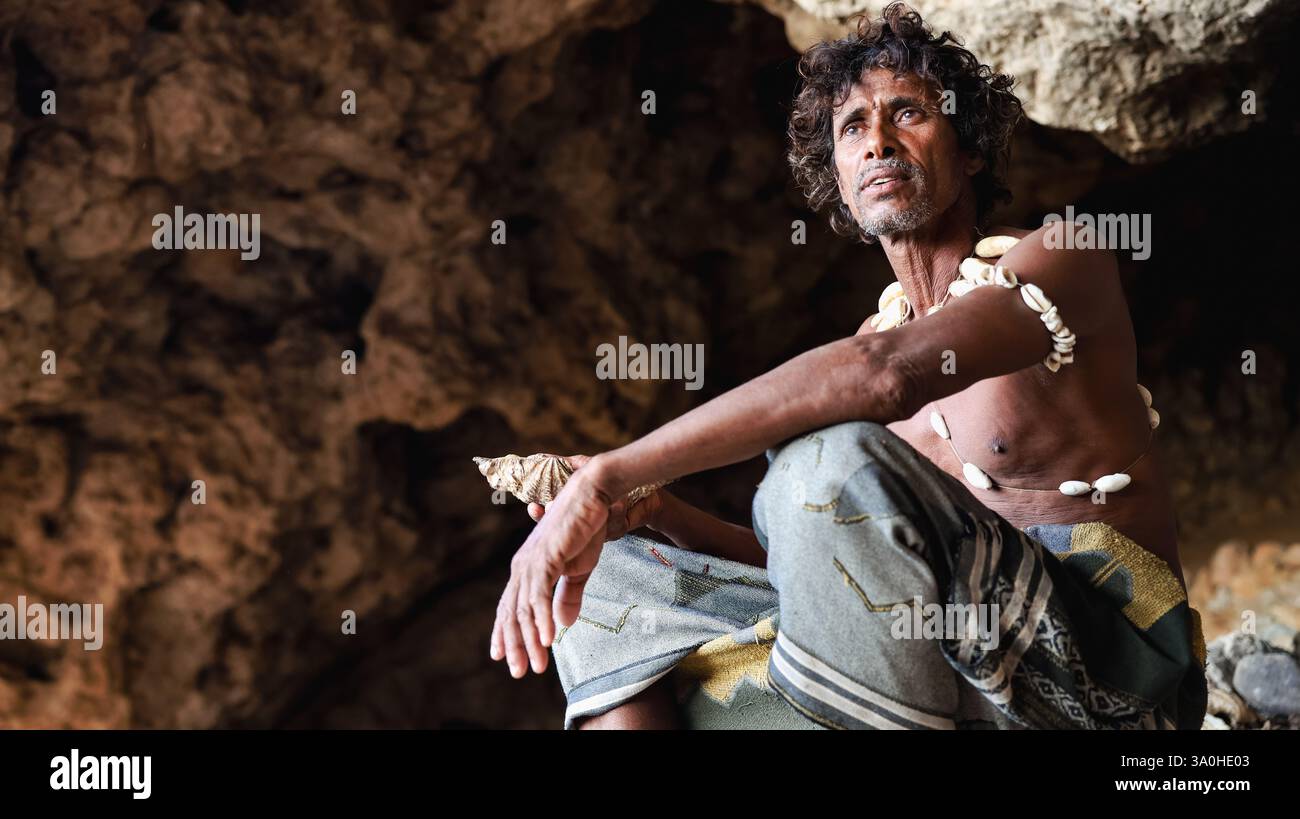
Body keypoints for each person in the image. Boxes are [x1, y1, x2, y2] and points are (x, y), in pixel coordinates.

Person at [488, 3, 1207, 730]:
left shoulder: (1058, 259)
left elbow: (885, 375)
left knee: (826, 456)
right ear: (835, 172)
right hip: (936, 680)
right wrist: (645, 510)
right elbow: (825, 568)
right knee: (606, 576)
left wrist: (605, 472)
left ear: (972, 149)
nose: (879, 143)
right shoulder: (876, 333)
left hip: (1104, 684)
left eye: (909, 114)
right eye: (853, 128)